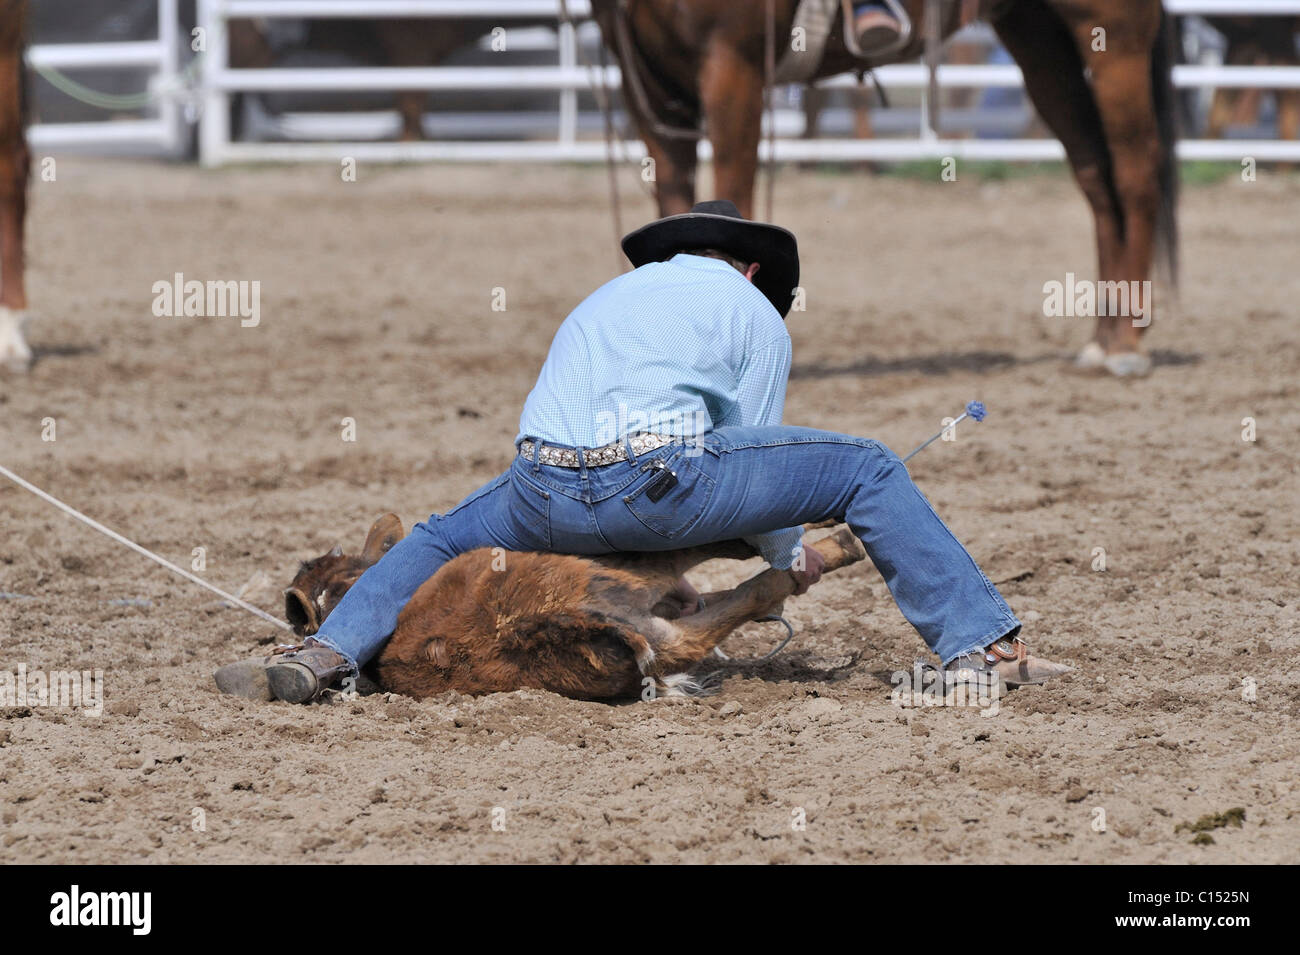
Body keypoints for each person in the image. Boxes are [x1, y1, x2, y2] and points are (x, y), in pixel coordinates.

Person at [216, 200, 1068, 703]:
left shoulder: (608, 295)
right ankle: (978, 649)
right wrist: (786, 560)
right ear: (748, 269)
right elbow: (749, 451)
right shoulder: (753, 314)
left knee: (438, 535)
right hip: (660, 480)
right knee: (869, 467)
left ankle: (322, 655)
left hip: (541, 486)